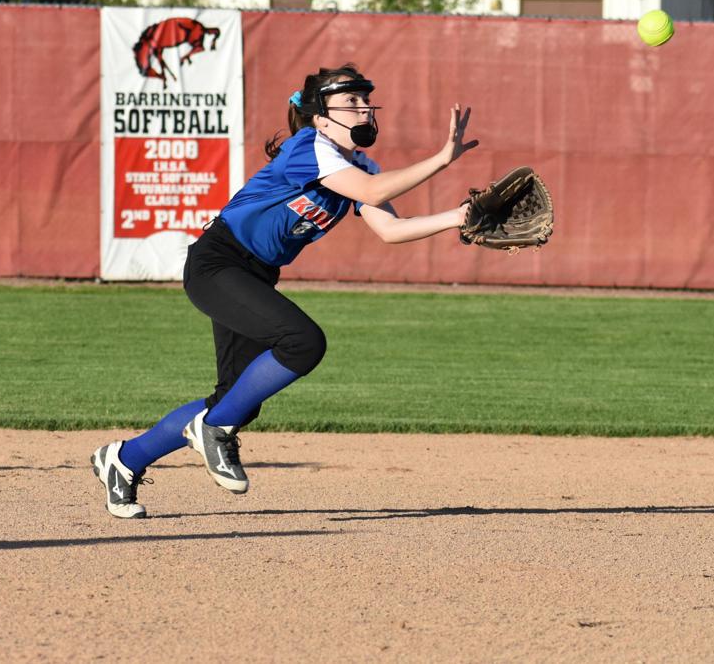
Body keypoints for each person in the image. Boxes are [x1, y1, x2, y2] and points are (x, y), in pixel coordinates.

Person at [91, 63, 479, 518]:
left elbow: (391, 229)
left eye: (364, 100)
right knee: (302, 342)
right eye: (350, 102)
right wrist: (439, 159)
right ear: (320, 115)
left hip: (253, 276)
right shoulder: (308, 148)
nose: (363, 109)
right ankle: (211, 429)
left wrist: (458, 217)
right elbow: (372, 190)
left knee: (238, 400)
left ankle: (123, 460)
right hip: (219, 263)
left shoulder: (356, 165)